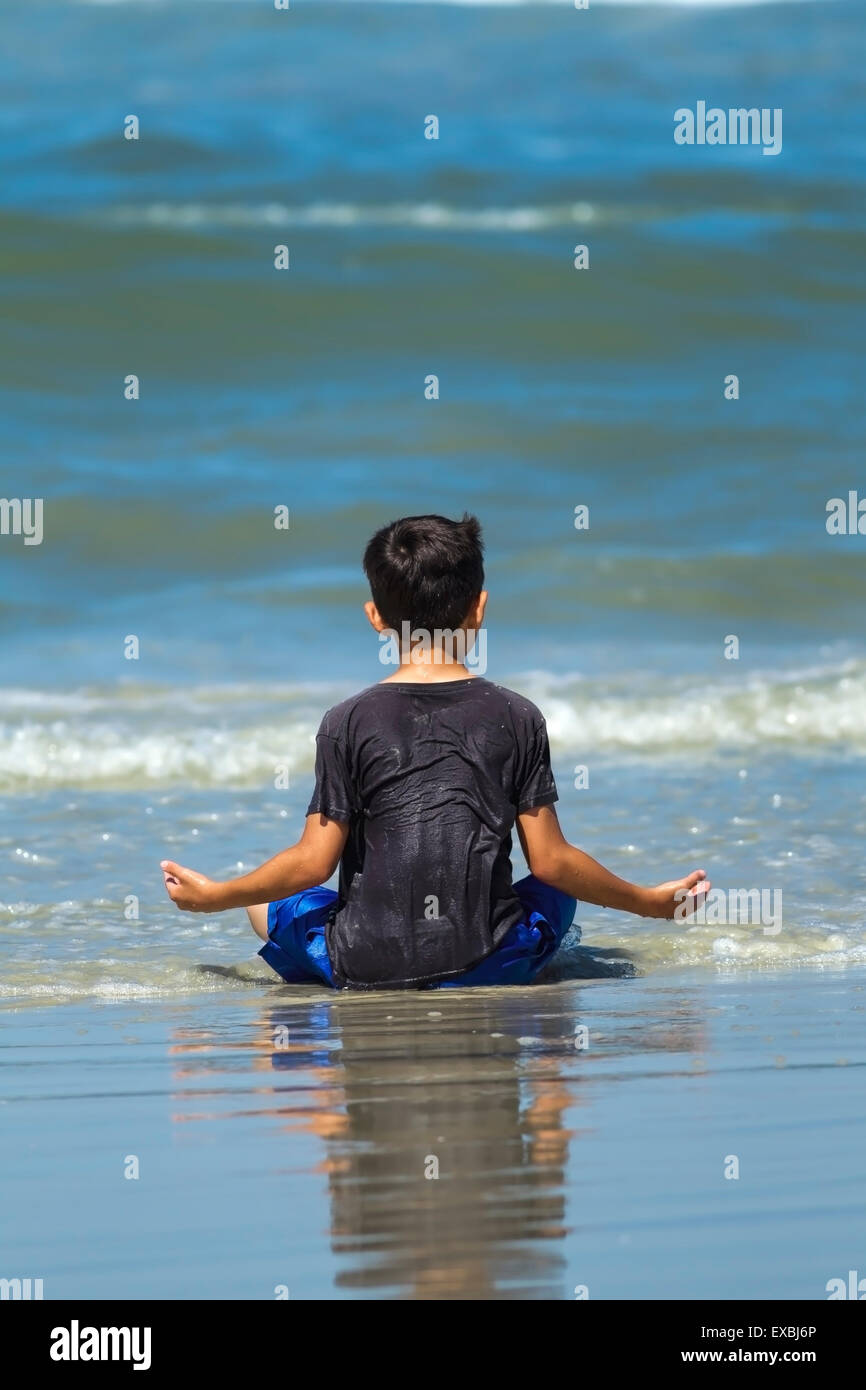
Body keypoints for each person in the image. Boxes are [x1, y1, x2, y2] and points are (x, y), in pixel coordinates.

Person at [161, 513, 709, 989]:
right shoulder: (516, 715)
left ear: (375, 616)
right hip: (489, 962)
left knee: (263, 903)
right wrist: (650, 902)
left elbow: (312, 863)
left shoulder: (345, 721)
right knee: (555, 887)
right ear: (480, 608)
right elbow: (551, 861)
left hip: (365, 968)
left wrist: (217, 896)